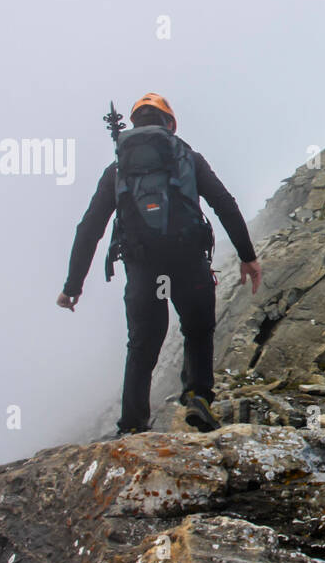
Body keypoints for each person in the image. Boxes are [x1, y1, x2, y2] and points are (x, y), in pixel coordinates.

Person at [57, 93, 262, 435]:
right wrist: (247, 256)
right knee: (197, 331)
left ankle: (133, 425)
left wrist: (72, 286)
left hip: (144, 268)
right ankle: (197, 396)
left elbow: (90, 227)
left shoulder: (119, 169)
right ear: (169, 124)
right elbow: (224, 204)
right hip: (188, 262)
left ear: (135, 124)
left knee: (141, 346)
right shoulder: (187, 157)